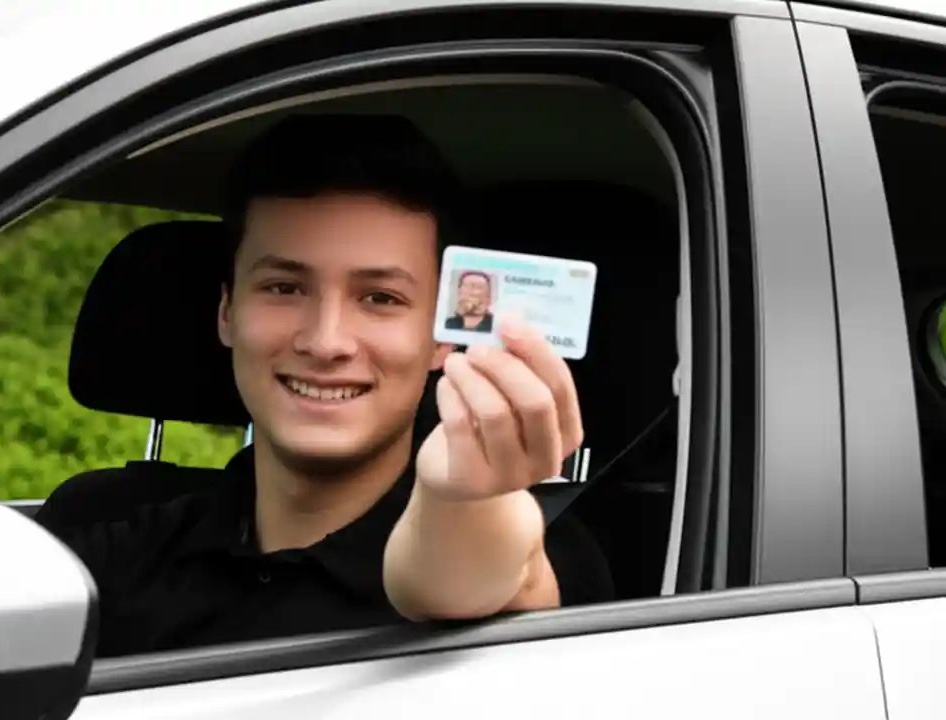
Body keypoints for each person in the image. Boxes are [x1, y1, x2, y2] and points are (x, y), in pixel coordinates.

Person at [38, 113, 609, 658]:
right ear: (227, 312)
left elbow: (480, 577)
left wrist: (459, 499)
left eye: (380, 298)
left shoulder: (526, 537)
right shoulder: (104, 542)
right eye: (285, 288)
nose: (325, 340)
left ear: (442, 335)